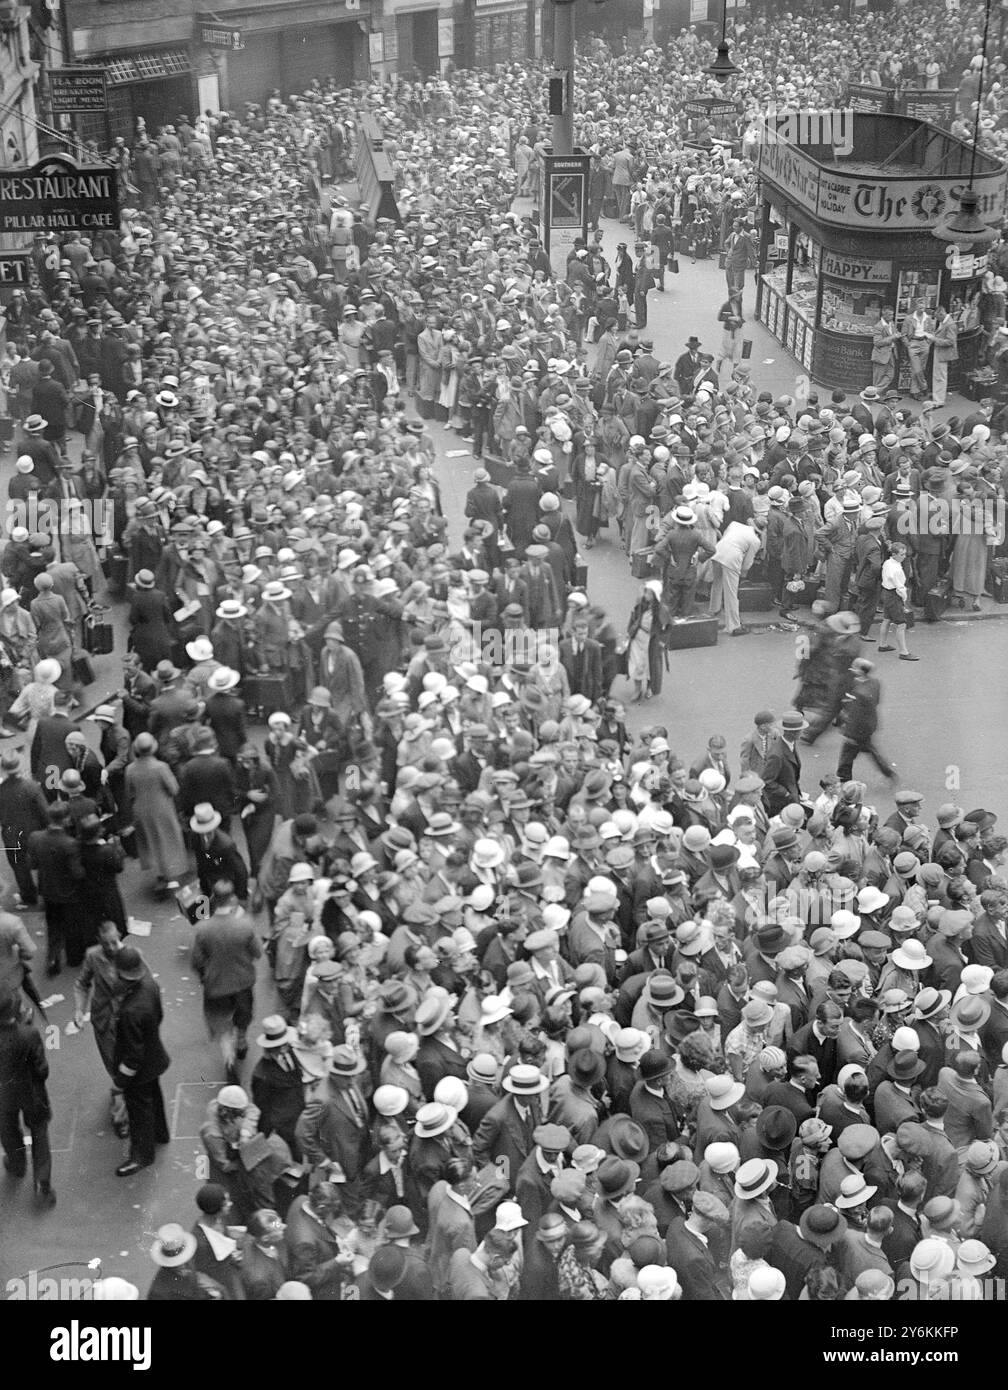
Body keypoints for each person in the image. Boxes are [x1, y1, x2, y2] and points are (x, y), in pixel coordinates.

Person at [191, 878, 263, 1081]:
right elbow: (257, 953)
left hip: (216, 986)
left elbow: (196, 961)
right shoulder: (245, 925)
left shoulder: (202, 929)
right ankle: (241, 1041)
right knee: (243, 1016)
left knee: (222, 1027)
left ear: (213, 899)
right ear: (232, 899)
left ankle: (229, 1060)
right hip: (243, 983)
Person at [112, 946, 171, 1176]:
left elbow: (133, 1058)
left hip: (139, 1067)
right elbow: (159, 1016)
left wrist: (120, 1081)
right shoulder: (150, 985)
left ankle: (142, 1155)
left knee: (139, 1110)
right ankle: (160, 1133)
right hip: (154, 1056)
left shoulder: (130, 1011)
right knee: (154, 1097)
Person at [0, 981, 55, 1208]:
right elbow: (41, 1069)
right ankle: (42, 1182)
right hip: (31, 1091)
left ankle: (16, 1163)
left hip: (3, 1094)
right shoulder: (28, 1033)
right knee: (39, 1132)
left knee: (8, 1128)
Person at [836, 658, 895, 783]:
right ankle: (887, 771)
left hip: (857, 729)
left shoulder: (859, 693)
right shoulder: (875, 682)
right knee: (869, 748)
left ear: (861, 671)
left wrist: (849, 733)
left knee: (847, 755)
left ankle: (844, 779)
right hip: (869, 724)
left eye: (855, 667)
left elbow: (855, 715)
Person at [877, 541, 918, 661]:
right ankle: (904, 652)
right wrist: (904, 599)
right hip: (894, 595)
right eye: (901, 554)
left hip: (885, 592)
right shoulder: (896, 569)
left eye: (904, 554)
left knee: (887, 619)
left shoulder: (887, 563)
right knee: (902, 623)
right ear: (894, 554)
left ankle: (882, 644)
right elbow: (900, 587)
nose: (904, 556)